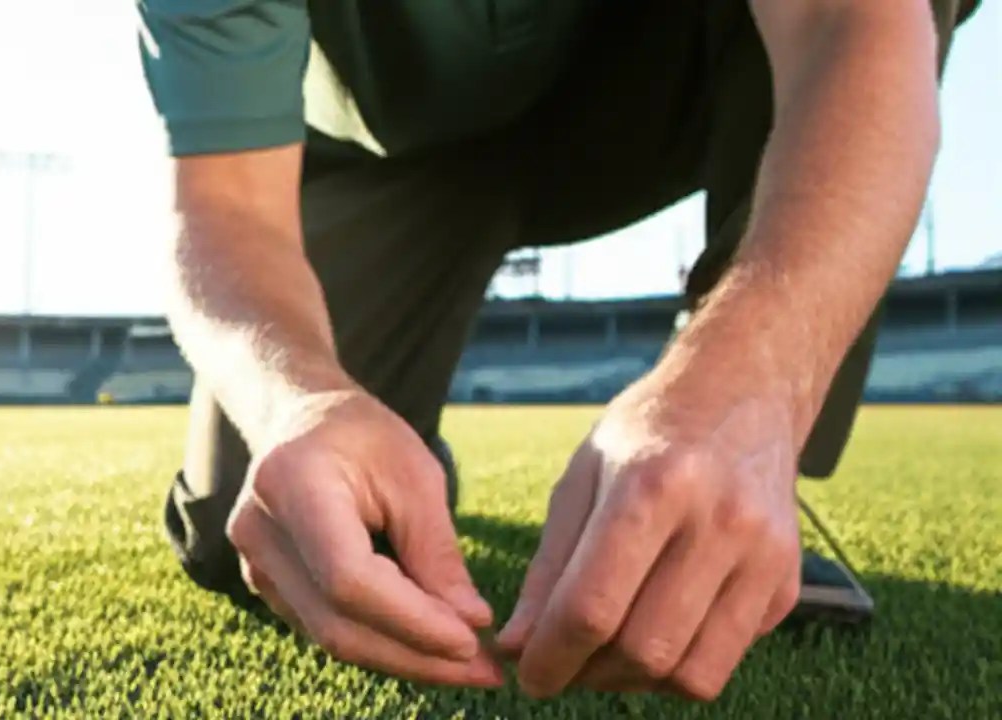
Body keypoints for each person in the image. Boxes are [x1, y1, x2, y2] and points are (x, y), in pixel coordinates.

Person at [138, 0, 979, 701]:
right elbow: (226, 206)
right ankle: (402, 455)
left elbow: (847, 23)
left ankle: (741, 471)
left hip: (652, 81)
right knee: (265, 525)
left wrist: (750, 379)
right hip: (394, 149)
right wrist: (298, 402)